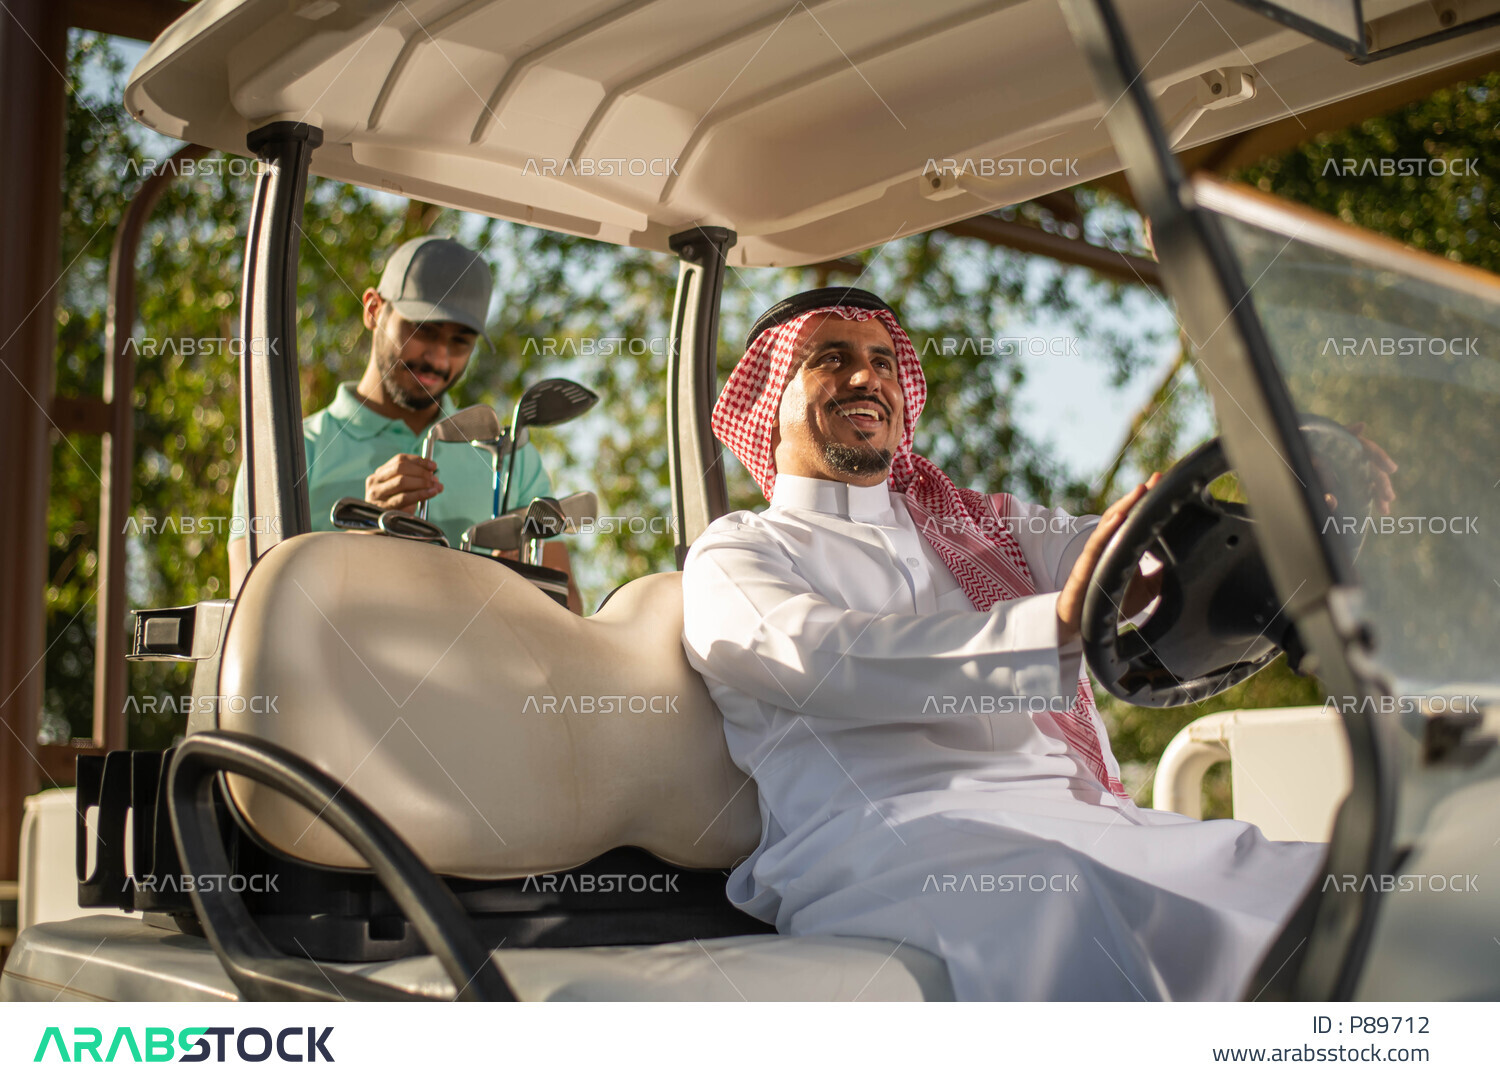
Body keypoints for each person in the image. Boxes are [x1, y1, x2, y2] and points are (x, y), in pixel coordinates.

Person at [680, 286, 1329, 1000]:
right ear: (764, 404)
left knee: (1327, 883)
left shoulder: (984, 526)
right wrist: (1050, 627)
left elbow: (1132, 558)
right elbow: (824, 658)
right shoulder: (737, 552)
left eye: (884, 362)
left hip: (1089, 819)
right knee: (1064, 903)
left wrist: (1283, 529)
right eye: (830, 360)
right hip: (889, 845)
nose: (867, 378)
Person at [228, 236, 577, 608]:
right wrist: (361, 537)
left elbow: (568, 607)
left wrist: (516, 584)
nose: (439, 359)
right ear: (373, 309)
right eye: (423, 329)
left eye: (460, 342)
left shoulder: (513, 460)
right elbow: (253, 609)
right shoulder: (283, 456)